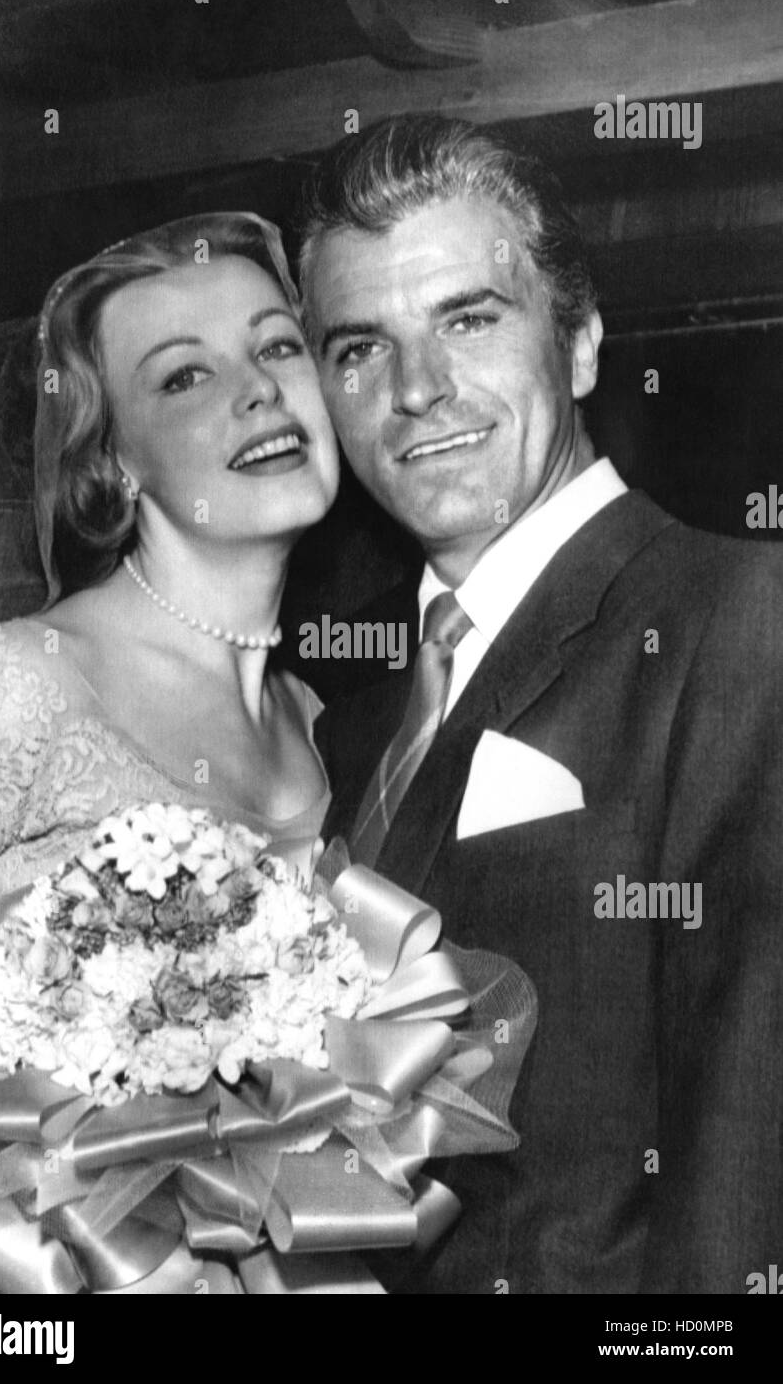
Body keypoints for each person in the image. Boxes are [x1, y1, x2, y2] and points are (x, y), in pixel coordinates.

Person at [299, 114, 783, 1294]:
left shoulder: (741, 616)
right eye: (359, 348)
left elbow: (747, 1148)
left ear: (578, 345)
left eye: (467, 319)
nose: (416, 390)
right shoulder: (343, 726)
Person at [0, 213, 339, 940]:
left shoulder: (312, 718)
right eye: (184, 376)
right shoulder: (15, 689)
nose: (260, 388)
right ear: (113, 459)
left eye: (278, 345)